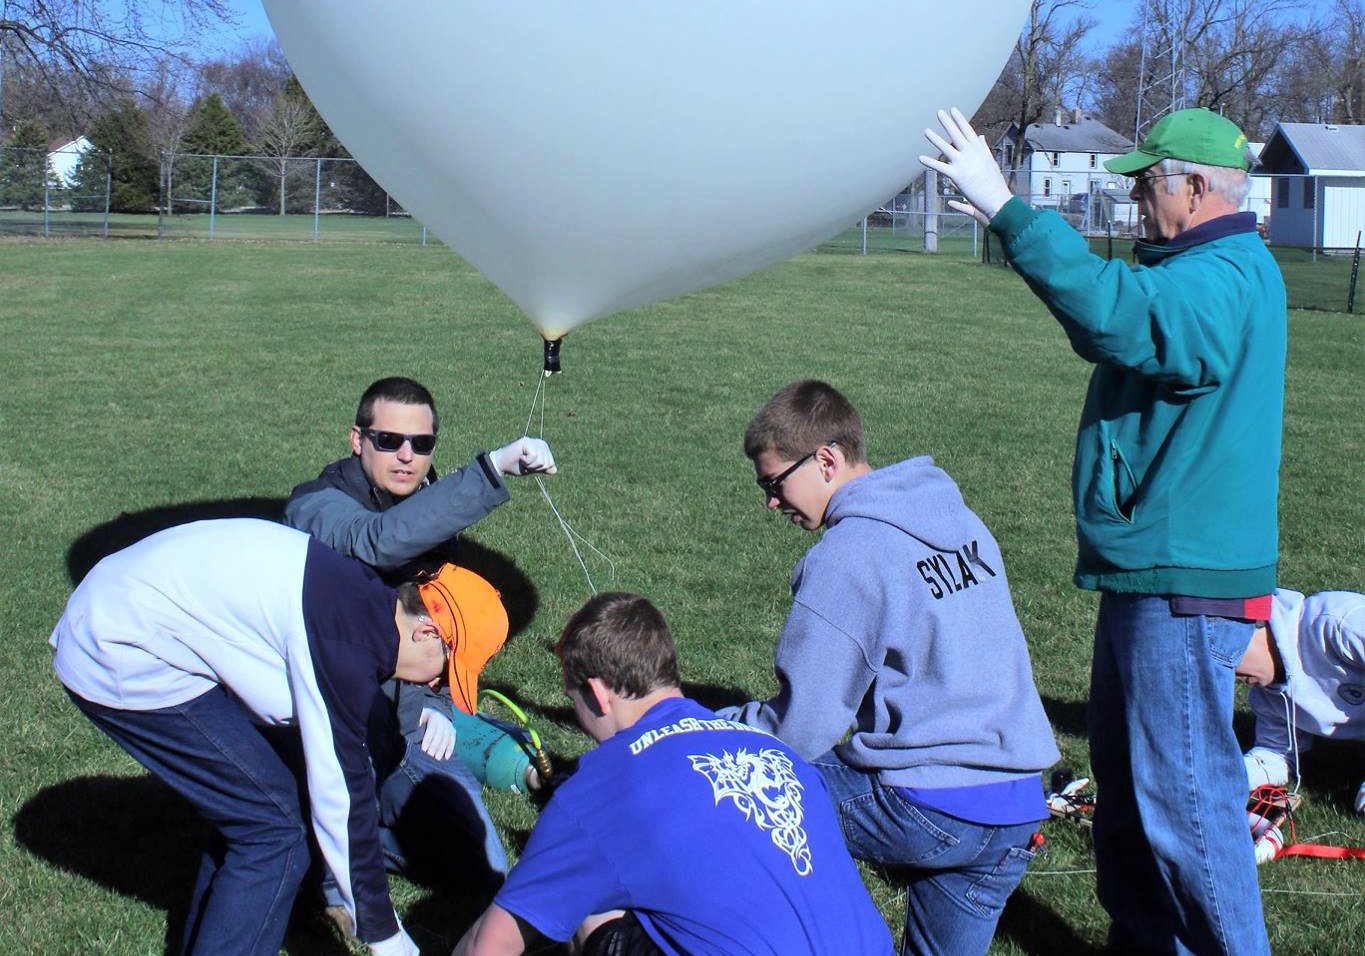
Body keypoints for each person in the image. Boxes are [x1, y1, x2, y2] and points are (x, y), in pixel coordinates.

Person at [921, 107, 1286, 955]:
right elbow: (1122, 315)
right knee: (1129, 795)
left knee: (1187, 808)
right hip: (1150, 575)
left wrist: (1012, 212)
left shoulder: (1222, 276)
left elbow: (1124, 316)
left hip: (1180, 582)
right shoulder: (1210, 266)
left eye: (1143, 183)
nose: (1132, 202)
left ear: (1193, 188)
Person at [720, 380, 1059, 956]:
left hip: (930, 807)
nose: (771, 503)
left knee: (729, 789)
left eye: (775, 484)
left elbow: (804, 727)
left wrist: (710, 730)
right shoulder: (961, 519)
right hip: (1018, 808)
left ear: (825, 460)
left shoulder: (845, 557)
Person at [49, 518, 450, 956]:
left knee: (263, 807)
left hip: (126, 605)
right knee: (274, 830)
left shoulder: (364, 602)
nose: (435, 686)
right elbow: (343, 796)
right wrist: (383, 932)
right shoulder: (342, 649)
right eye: (446, 671)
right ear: (426, 631)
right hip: (119, 646)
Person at [452, 592, 895, 956]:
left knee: (591, 902)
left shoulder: (602, 786)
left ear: (596, 693)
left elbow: (487, 948)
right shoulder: (780, 753)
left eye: (573, 698)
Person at [284, 376, 557, 914]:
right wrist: (493, 469)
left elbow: (421, 618)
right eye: (388, 440)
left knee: (483, 869)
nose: (407, 456)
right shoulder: (315, 507)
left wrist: (431, 700)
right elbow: (378, 541)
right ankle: (322, 851)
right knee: (468, 859)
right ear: (356, 439)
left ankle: (343, 840)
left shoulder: (428, 503)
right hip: (331, 726)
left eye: (423, 444)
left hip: (405, 717)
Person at [1237, 588, 1365, 813]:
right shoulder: (1267, 690)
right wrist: (1229, 778)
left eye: (1226, 653)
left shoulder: (1336, 623)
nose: (1228, 672)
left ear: (1255, 625)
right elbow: (1273, 754)